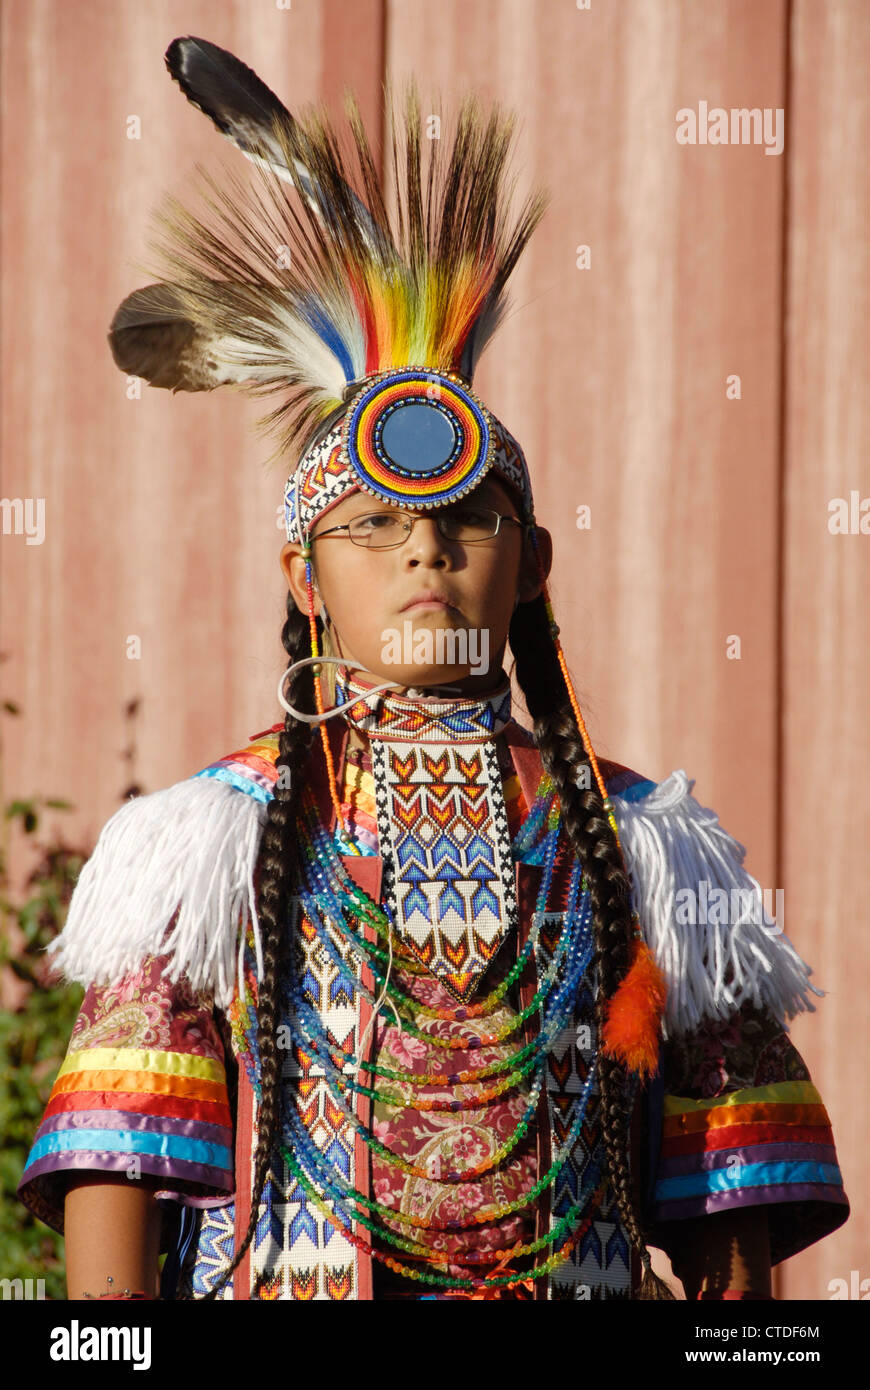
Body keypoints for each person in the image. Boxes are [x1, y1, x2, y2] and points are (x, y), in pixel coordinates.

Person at [18, 36, 848, 1301]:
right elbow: (114, 1190)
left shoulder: (652, 853)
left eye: (466, 522)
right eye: (375, 526)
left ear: (531, 564)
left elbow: (734, 1208)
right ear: (305, 575)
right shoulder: (206, 850)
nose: (426, 552)